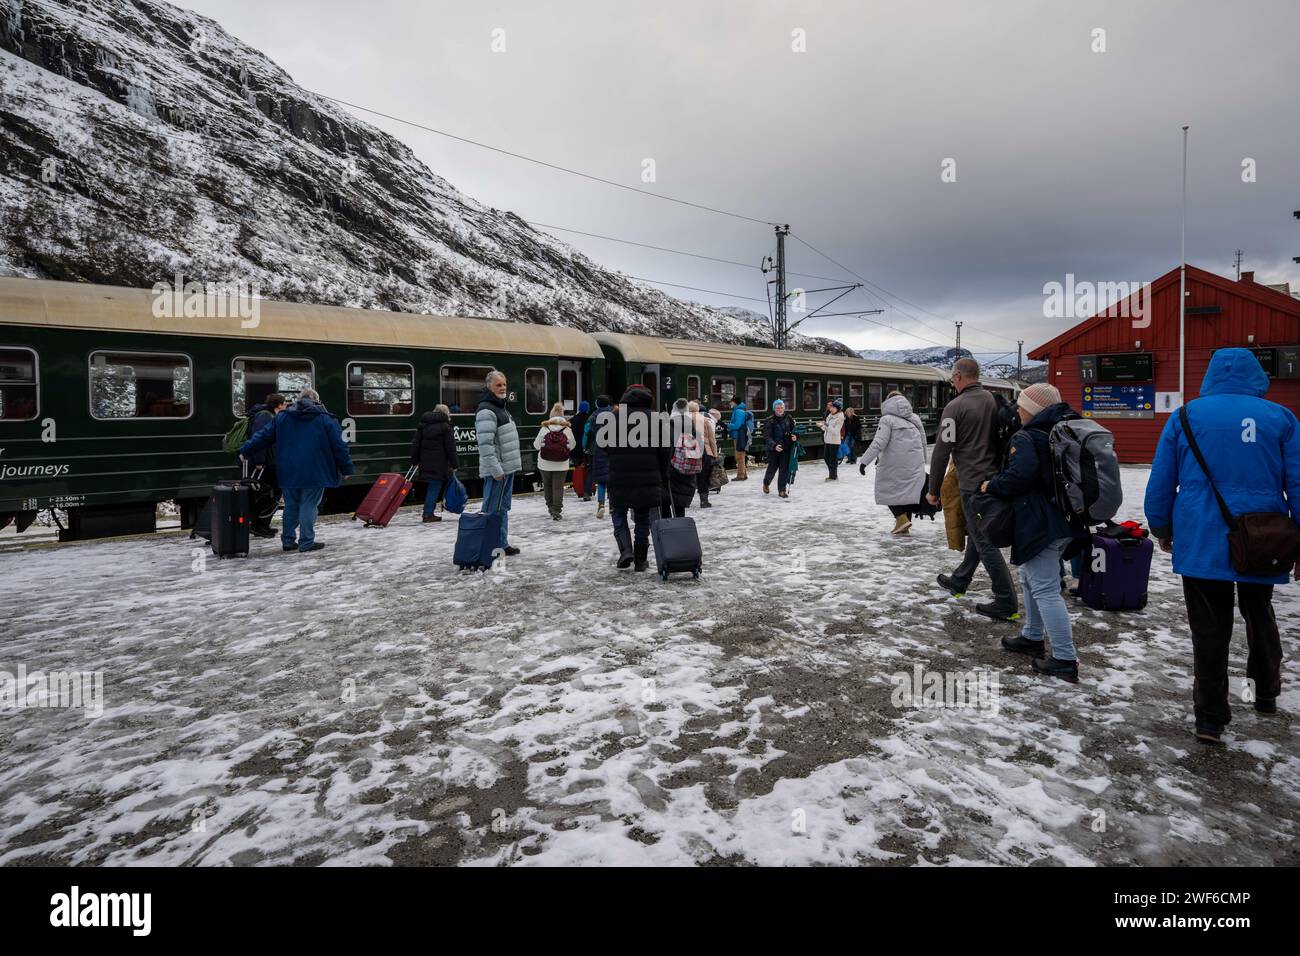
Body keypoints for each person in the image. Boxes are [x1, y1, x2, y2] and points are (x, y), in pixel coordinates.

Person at [1145, 348, 1300, 744]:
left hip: (1201, 534)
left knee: (1209, 628)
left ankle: (1211, 718)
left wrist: (1162, 525)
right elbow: (1298, 484)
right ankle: (1264, 693)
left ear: (1211, 375)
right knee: (1259, 612)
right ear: (1256, 376)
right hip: (1263, 535)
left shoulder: (1185, 417)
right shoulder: (1281, 418)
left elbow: (1162, 479)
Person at [981, 383, 1088, 683]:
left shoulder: (1029, 436)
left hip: (1041, 522)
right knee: (1031, 579)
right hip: (1064, 518)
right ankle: (1031, 635)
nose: (1018, 409)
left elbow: (1020, 475)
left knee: (1044, 589)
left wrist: (993, 485)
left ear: (1035, 408)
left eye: (1023, 405)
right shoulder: (1061, 430)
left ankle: (1065, 658)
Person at [927, 358, 1018, 620]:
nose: (952, 384)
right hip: (995, 479)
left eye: (953, 379)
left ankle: (1006, 601)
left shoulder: (955, 407)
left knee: (983, 541)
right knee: (980, 535)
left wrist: (934, 490)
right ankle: (960, 579)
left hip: (971, 481)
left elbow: (941, 452)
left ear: (958, 377)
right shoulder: (993, 400)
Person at [239, 387, 353, 553]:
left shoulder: (283, 417)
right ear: (317, 401)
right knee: (309, 504)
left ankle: (288, 541)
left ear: (298, 400)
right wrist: (346, 468)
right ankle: (306, 542)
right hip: (316, 470)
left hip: (288, 470)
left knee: (291, 505)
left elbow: (262, 436)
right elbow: (339, 447)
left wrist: (245, 450)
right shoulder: (326, 419)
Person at [601, 384, 670, 570]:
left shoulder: (613, 418)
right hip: (647, 478)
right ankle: (641, 560)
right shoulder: (656, 420)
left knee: (618, 513)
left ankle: (625, 551)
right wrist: (662, 474)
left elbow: (603, 446)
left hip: (619, 476)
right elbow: (665, 452)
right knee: (642, 519)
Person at [856, 390, 927, 535]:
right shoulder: (915, 418)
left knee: (886, 489)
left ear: (888, 403)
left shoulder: (887, 419)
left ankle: (901, 519)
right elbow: (923, 441)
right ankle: (904, 524)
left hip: (893, 464)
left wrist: (864, 461)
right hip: (914, 462)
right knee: (907, 493)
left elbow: (879, 443)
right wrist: (923, 461)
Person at [476, 370, 521, 556]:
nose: (503, 388)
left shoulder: (500, 407)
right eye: (498, 385)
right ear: (489, 387)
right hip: (498, 470)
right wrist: (495, 469)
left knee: (502, 508)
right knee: (491, 509)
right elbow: (485, 445)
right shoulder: (487, 410)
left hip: (506, 468)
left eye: (504, 384)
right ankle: (487, 546)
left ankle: (501, 543)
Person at [244, 392, 286, 537]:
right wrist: (260, 461)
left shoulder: (266, 415)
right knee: (271, 493)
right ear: (279, 404)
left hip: (268, 461)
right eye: (284, 404)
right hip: (264, 464)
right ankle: (259, 525)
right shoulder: (265, 416)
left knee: (268, 493)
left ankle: (262, 525)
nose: (285, 407)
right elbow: (260, 440)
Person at [410, 403, 458, 523]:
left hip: (425, 461)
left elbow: (416, 444)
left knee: (433, 486)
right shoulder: (446, 427)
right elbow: (450, 448)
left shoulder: (423, 425)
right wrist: (455, 464)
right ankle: (428, 514)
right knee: (434, 487)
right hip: (439, 463)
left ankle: (429, 512)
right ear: (446, 413)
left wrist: (415, 461)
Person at [534, 401, 576, 520]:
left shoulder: (544, 428)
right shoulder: (567, 429)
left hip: (544, 464)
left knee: (547, 486)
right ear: (562, 415)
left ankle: (550, 508)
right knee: (558, 487)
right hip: (561, 464)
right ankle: (557, 510)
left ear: (551, 415)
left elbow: (536, 445)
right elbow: (572, 446)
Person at [667, 399, 701, 517]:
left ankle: (667, 531)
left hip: (671, 471)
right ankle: (679, 530)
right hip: (688, 472)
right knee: (680, 508)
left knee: (666, 505)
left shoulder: (668, 427)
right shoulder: (692, 428)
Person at [585, 394, 613, 519]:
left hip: (599, 450)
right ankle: (613, 506)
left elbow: (589, 430)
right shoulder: (615, 415)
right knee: (613, 481)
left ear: (597, 404)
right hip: (614, 450)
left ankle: (601, 505)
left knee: (601, 482)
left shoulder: (593, 417)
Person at [763, 399, 796, 498]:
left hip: (785, 448)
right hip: (773, 449)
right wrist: (774, 446)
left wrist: (795, 436)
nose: (780, 409)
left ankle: (782, 490)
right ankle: (766, 483)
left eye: (781, 407)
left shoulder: (788, 418)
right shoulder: (769, 420)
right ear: (774, 409)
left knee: (784, 470)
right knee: (772, 468)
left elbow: (794, 430)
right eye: (777, 408)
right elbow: (767, 436)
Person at [689, 400, 718, 508]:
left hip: (688, 449)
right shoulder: (705, 419)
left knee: (688, 476)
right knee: (703, 476)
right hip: (704, 450)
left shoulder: (682, 419)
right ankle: (704, 501)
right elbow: (711, 438)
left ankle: (686, 500)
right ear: (697, 409)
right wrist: (714, 453)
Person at [727, 397, 754, 481]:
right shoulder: (739, 410)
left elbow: (737, 425)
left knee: (739, 456)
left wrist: (728, 425)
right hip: (739, 436)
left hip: (738, 436)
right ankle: (743, 474)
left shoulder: (738, 412)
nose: (730, 404)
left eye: (731, 402)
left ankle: (740, 475)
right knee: (741, 455)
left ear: (735, 403)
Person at [570, 400, 591, 500]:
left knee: (577, 469)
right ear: (587, 409)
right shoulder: (589, 419)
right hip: (586, 449)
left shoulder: (572, 420)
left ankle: (579, 491)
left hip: (575, 450)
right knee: (588, 471)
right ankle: (587, 490)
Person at [821, 398, 845, 480]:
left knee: (832, 459)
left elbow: (835, 431)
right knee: (826, 457)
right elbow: (826, 428)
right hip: (827, 440)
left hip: (834, 441)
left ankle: (833, 475)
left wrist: (827, 426)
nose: (831, 409)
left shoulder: (840, 417)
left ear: (837, 409)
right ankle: (832, 473)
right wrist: (822, 426)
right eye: (831, 407)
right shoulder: (830, 415)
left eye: (833, 408)